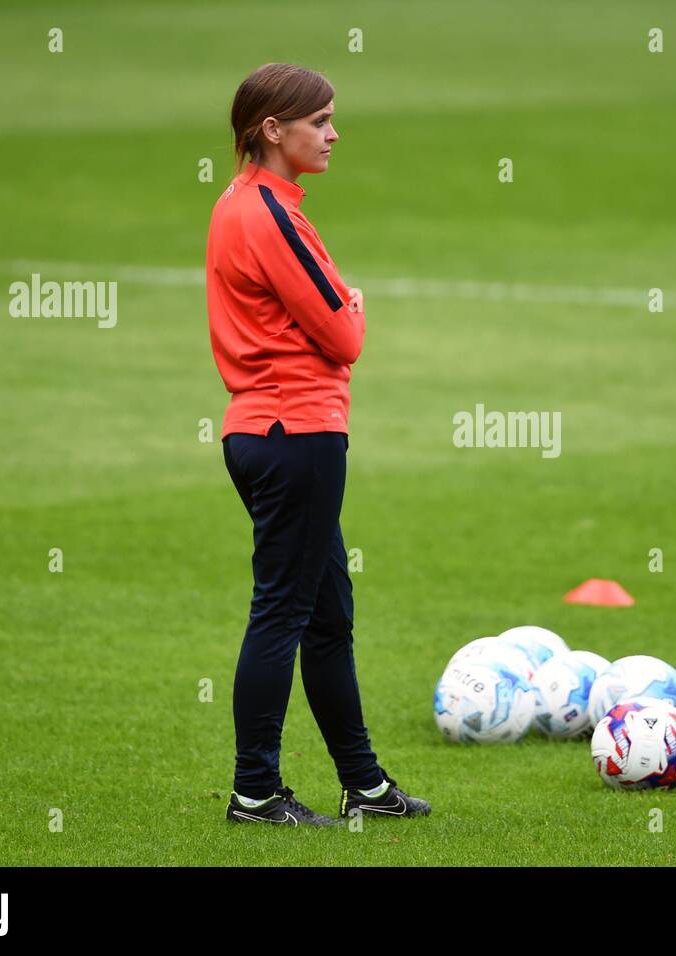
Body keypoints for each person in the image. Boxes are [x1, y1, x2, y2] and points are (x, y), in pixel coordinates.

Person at [205, 63, 430, 826]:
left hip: (266, 429)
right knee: (283, 612)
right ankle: (256, 792)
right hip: (294, 432)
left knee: (326, 612)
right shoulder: (269, 213)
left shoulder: (238, 205)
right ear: (274, 130)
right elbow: (342, 333)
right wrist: (357, 306)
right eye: (320, 122)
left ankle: (365, 786)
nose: (334, 135)